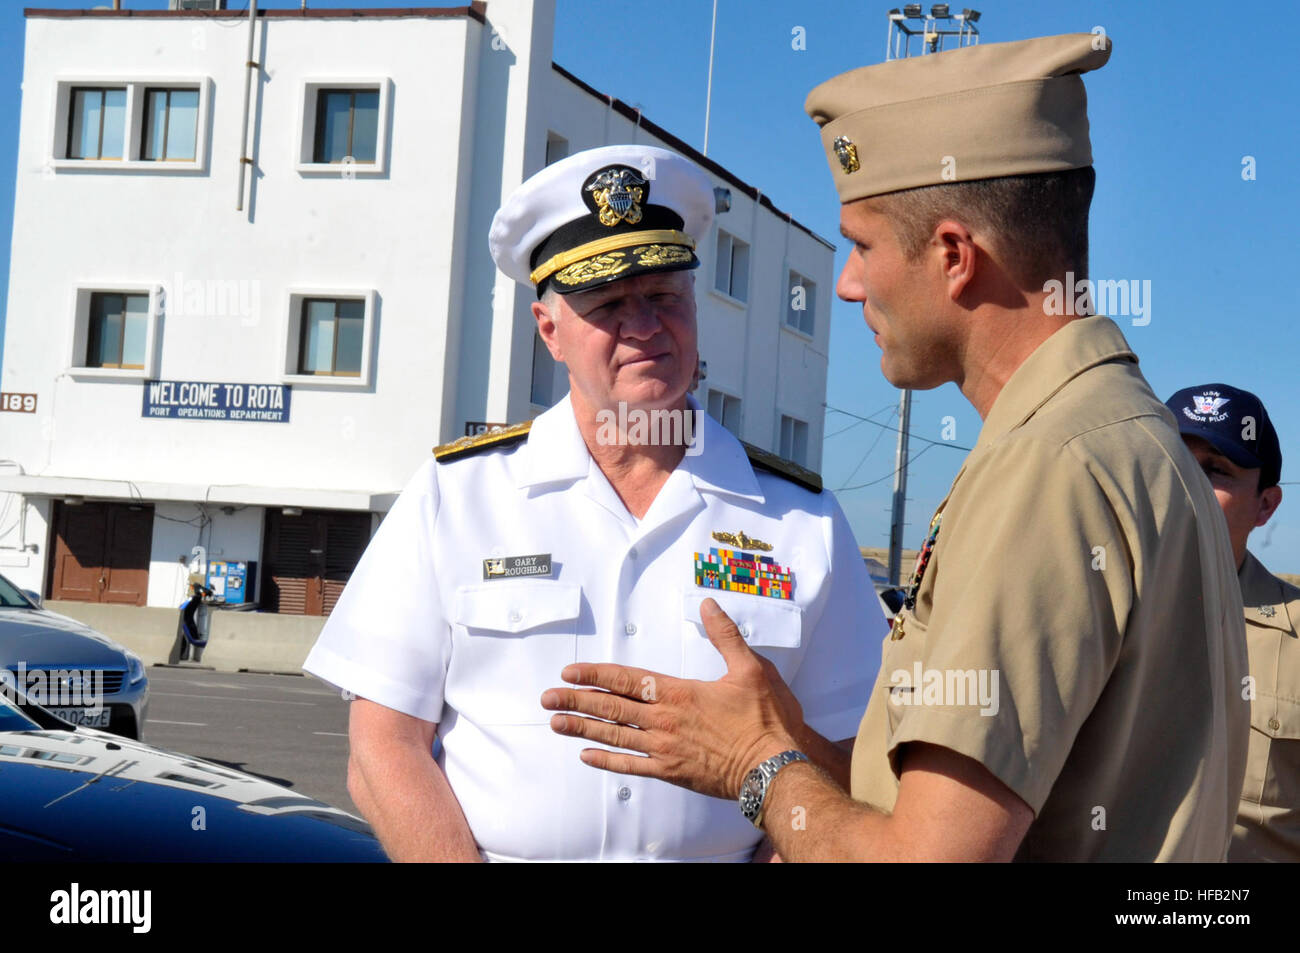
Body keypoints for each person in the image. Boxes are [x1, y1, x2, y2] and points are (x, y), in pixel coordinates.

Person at [544, 34, 1250, 861]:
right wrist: (790, 736)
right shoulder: (1127, 435)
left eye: (863, 245)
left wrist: (754, 762)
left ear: (953, 257)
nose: (847, 283)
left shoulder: (1049, 468)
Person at [301, 144, 883, 862]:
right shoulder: (458, 496)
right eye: (608, 304)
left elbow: (855, 761)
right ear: (551, 332)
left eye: (665, 296)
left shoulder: (799, 520)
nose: (643, 325)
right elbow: (383, 744)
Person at [1165, 383, 1297, 862]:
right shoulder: (1086, 613)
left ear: (1266, 505)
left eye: (1215, 471)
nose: (1186, 485)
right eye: (1173, 464)